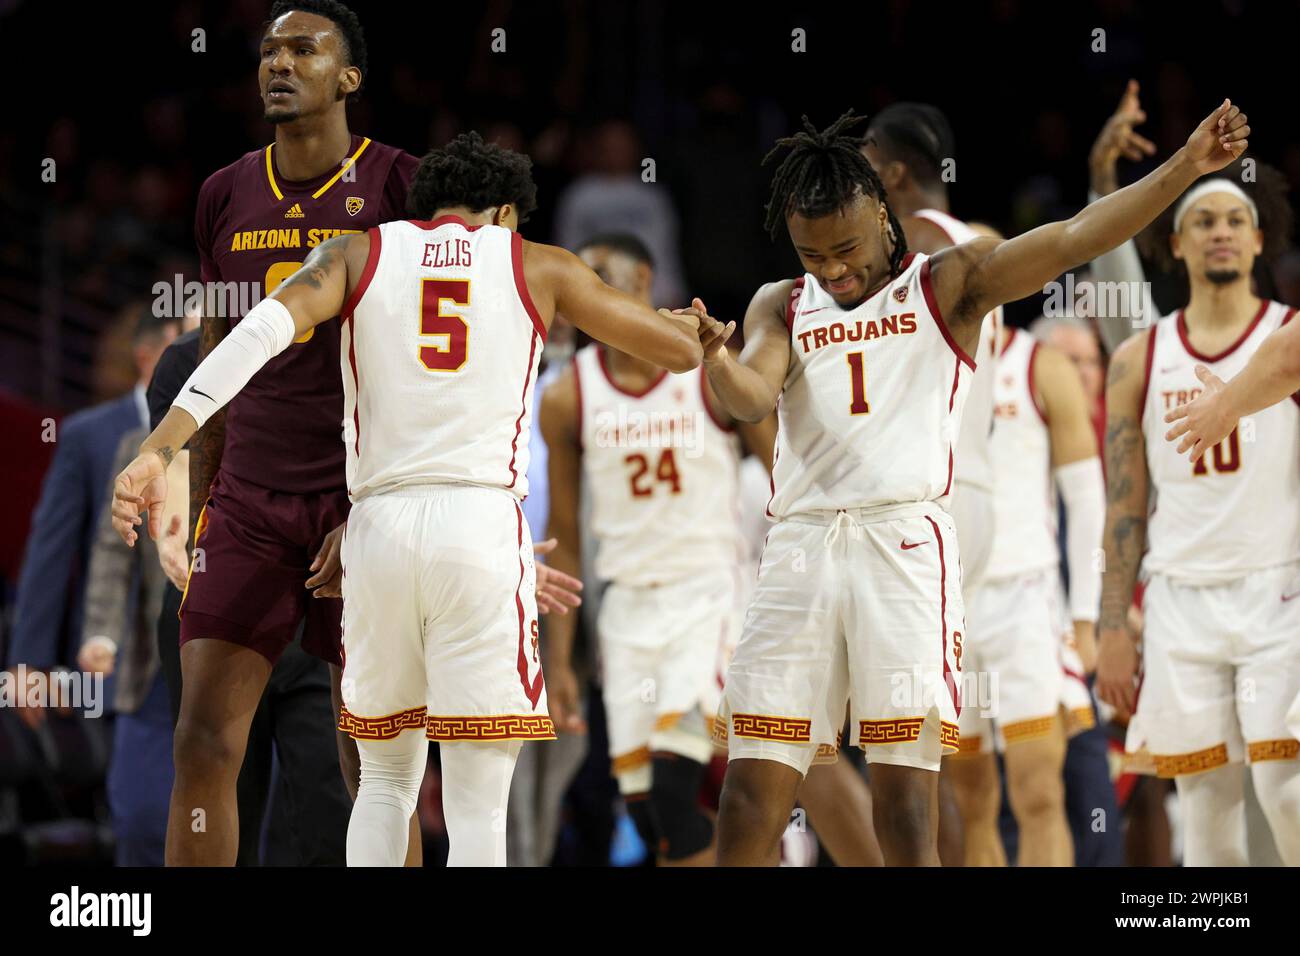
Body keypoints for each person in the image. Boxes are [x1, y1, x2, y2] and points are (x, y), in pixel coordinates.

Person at [111, 131, 703, 866]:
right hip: (478, 529)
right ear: (509, 215)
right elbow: (678, 354)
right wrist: (690, 329)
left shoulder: (359, 253)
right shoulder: (538, 263)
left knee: (384, 783)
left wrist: (161, 444)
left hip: (378, 533)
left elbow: (255, 334)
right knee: (477, 804)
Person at [701, 99, 1250, 866]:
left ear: (884, 216)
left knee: (905, 809)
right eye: (812, 255)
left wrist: (1185, 165)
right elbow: (751, 397)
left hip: (902, 546)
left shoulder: (947, 283)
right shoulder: (780, 304)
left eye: (846, 249)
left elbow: (1071, 239)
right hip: (800, 548)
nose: (833, 270)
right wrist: (719, 363)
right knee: (750, 796)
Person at [176, 0, 421, 866]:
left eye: (304, 49)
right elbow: (217, 357)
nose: (279, 63)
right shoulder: (223, 192)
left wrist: (374, 511)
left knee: (377, 757)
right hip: (248, 498)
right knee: (202, 741)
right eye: (270, 50)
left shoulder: (403, 186)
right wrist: (203, 508)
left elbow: (433, 375)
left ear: (349, 77)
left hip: (365, 496)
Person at [540, 232, 775, 866]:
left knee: (676, 790)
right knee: (650, 818)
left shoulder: (706, 367)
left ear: (643, 279)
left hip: (709, 595)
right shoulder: (568, 396)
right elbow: (562, 538)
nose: (580, 291)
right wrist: (560, 662)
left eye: (595, 274)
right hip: (626, 611)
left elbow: (784, 472)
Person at [1095, 168, 1300, 866]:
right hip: (1181, 602)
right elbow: (1123, 504)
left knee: (1289, 797)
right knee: (1208, 829)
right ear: (1175, 243)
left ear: (1259, 239)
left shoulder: (1290, 337)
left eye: (1235, 221)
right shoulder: (1138, 358)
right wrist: (1112, 624)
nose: (1220, 232)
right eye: (1204, 221)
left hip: (1281, 594)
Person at [862, 101, 1004, 864]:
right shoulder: (978, 245)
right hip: (971, 493)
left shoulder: (918, 246)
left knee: (912, 750)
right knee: (943, 745)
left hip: (927, 500)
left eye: (862, 159)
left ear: (891, 170)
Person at [946, 322, 1105, 866]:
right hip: (948, 603)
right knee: (970, 804)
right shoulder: (921, 357)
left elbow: (1086, 499)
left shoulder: (1041, 364)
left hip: (1026, 600)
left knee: (1038, 790)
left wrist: (1085, 618)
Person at [7, 307, 178, 721]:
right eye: (184, 349)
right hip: (108, 650)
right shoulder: (89, 434)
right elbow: (52, 545)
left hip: (191, 646)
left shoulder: (221, 427)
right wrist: (29, 658)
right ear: (146, 356)